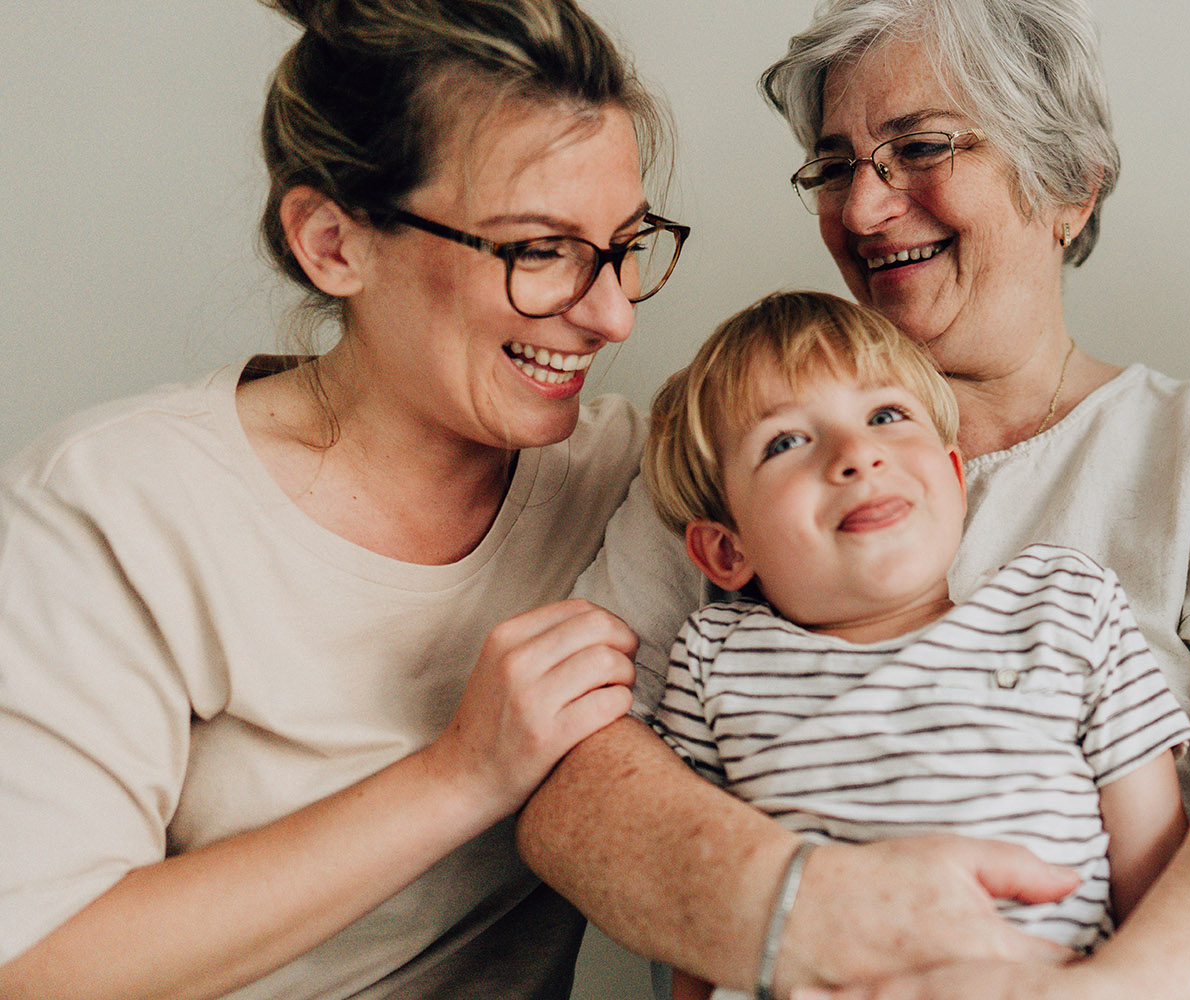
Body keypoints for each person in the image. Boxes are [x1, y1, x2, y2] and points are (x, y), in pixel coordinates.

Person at [516, 2, 1190, 999]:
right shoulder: (724, 451)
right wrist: (800, 909)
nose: (861, 209)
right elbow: (575, 776)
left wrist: (1108, 992)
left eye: (919, 147)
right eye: (834, 167)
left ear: (1068, 184)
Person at [0, 1, 685, 996]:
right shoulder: (113, 505)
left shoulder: (632, 483)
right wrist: (462, 773)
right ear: (331, 242)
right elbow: (30, 962)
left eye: (626, 242)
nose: (611, 311)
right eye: (540, 251)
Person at [642, 290, 1190, 1000]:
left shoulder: (1063, 606)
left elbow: (1159, 872)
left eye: (886, 416)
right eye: (786, 442)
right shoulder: (714, 658)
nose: (857, 455)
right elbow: (699, 902)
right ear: (725, 551)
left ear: (957, 482)